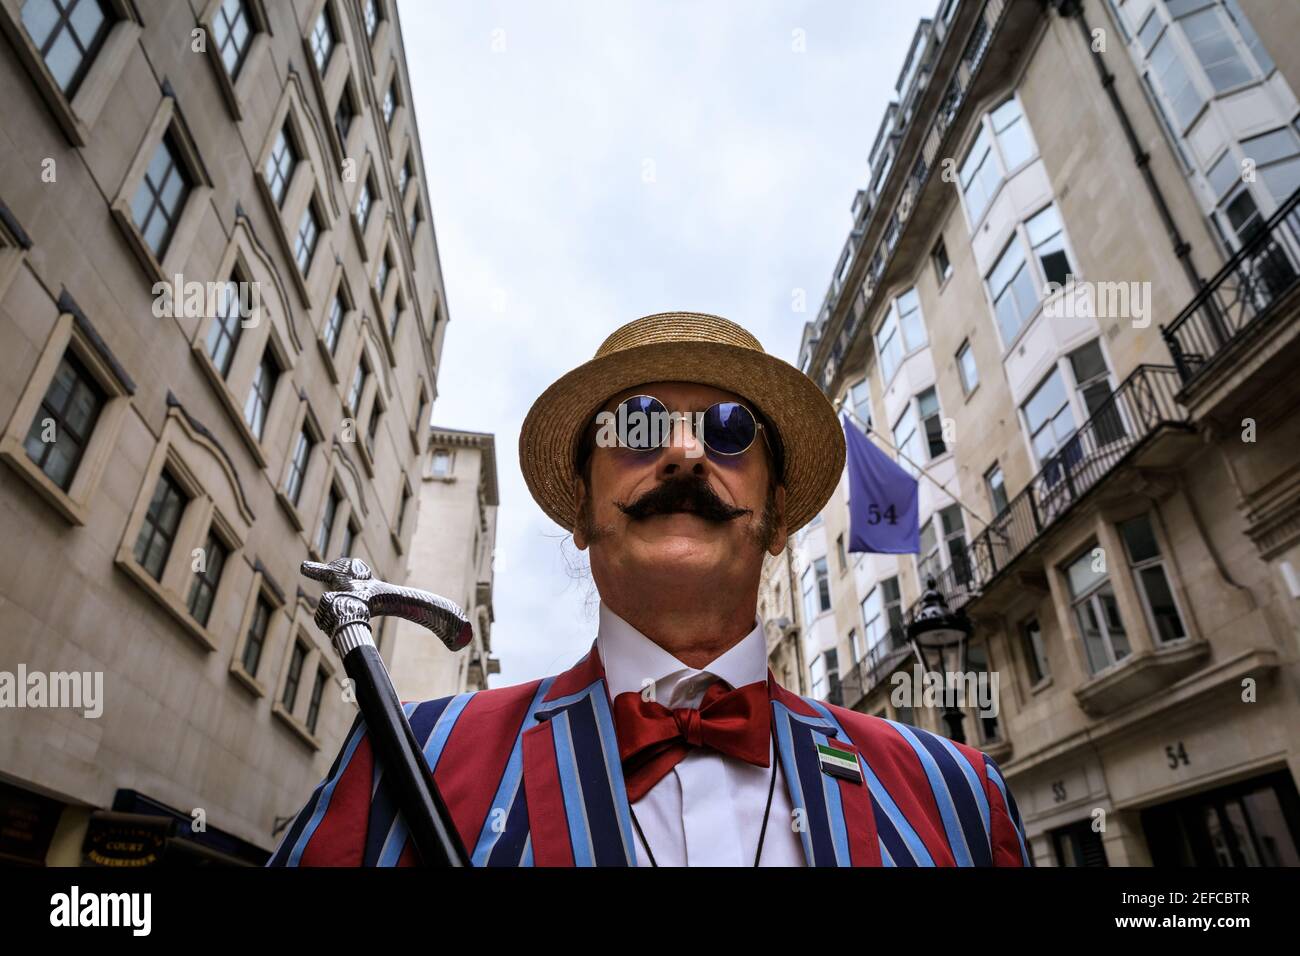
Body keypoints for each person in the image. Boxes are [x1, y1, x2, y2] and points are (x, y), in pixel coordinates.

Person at [268, 311, 1031, 866]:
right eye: (636, 426)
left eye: (730, 429)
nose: (686, 453)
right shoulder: (411, 759)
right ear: (581, 508)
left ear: (777, 519)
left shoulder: (958, 799)